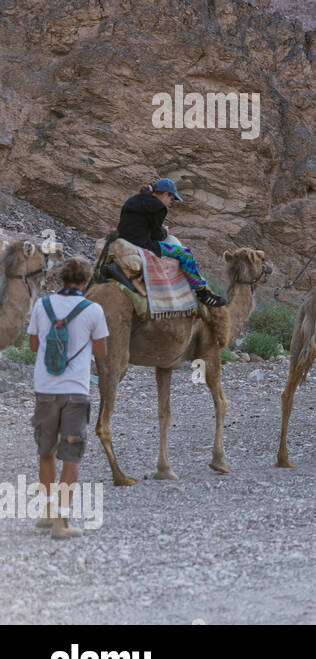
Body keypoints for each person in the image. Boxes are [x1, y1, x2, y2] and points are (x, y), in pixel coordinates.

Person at [26, 257, 108, 539]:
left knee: (45, 452)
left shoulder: (41, 305)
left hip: (45, 389)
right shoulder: (93, 310)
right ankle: (62, 522)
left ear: (60, 279)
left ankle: (47, 512)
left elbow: (34, 345)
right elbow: (101, 352)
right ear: (86, 281)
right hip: (76, 390)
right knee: (71, 456)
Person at [116, 178, 227, 307]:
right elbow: (157, 235)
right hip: (142, 244)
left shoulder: (134, 200)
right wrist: (165, 232)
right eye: (172, 199)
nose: (171, 203)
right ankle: (203, 293)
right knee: (185, 253)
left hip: (123, 240)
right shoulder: (158, 207)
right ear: (165, 194)